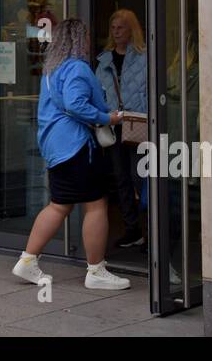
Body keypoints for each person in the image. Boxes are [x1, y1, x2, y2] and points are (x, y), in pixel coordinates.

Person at [11, 18, 132, 291]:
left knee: (59, 204)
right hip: (76, 147)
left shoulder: (52, 70)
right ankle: (96, 270)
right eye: (86, 36)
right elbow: (75, 103)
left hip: (56, 147)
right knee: (96, 205)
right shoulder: (76, 68)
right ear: (79, 39)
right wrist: (106, 118)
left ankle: (28, 261)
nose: (89, 41)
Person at [96, 9, 149, 249]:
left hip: (137, 124)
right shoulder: (104, 60)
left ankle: (153, 231)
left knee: (142, 179)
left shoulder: (144, 57)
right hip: (114, 126)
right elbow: (98, 92)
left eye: (121, 28)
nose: (116, 32)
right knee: (121, 179)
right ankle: (132, 229)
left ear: (132, 30)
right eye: (113, 28)